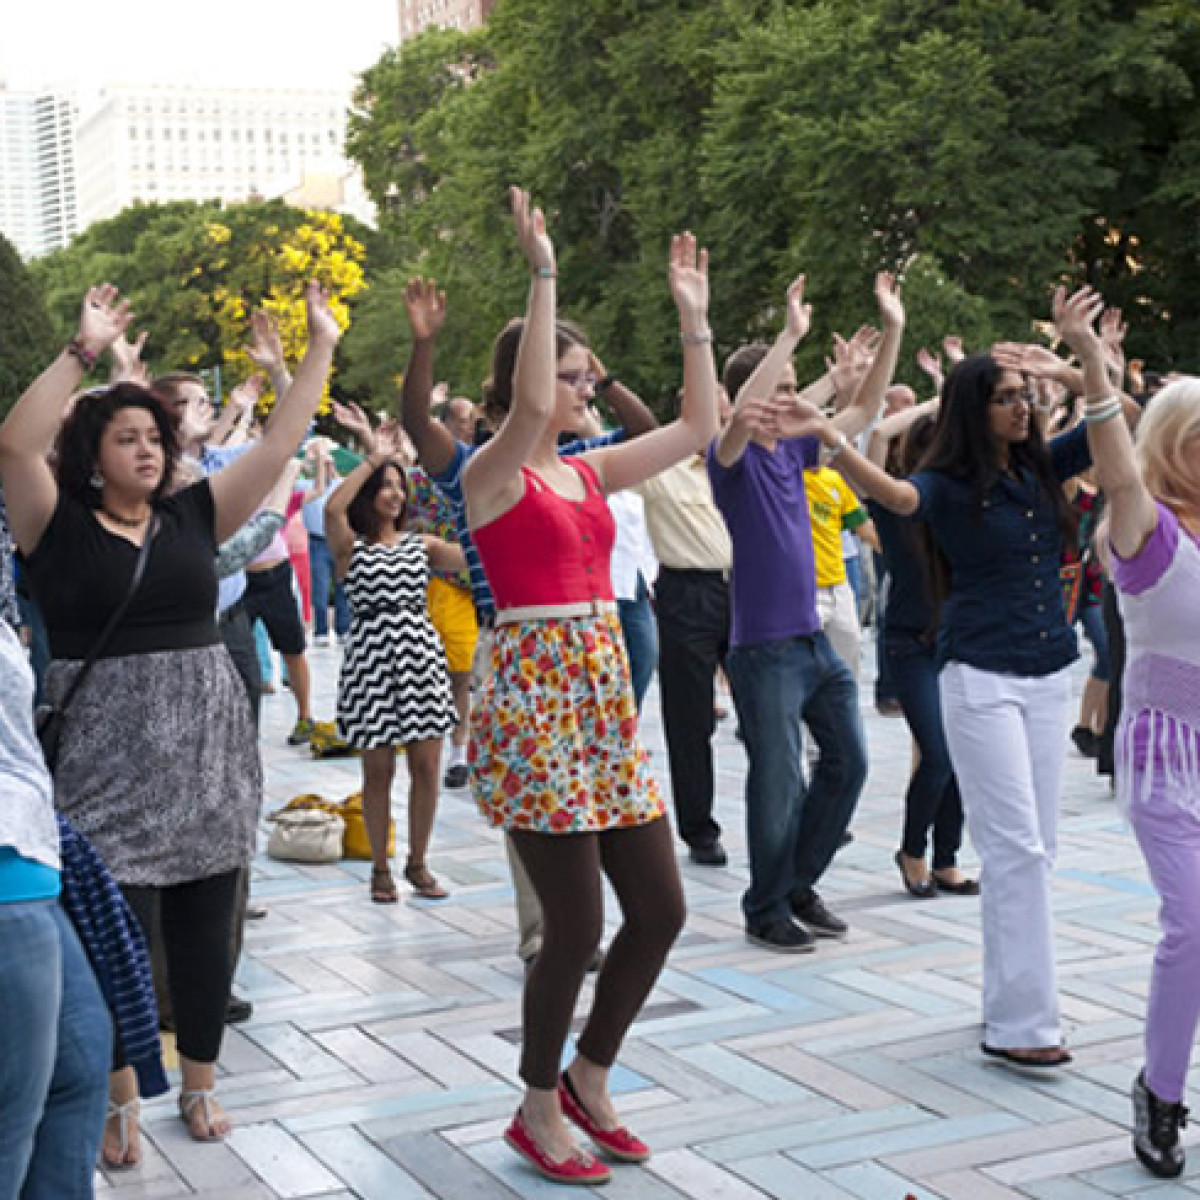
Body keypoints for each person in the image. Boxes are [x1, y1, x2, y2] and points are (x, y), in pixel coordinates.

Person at [0, 281, 339, 1152]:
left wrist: (319, 348)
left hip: (207, 754)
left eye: (156, 437)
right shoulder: (55, 526)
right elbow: (12, 442)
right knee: (118, 936)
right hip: (107, 763)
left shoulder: (192, 514)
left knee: (205, 929)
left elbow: (281, 442)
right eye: (128, 438)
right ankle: (120, 1099)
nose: (149, 451)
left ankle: (198, 1085)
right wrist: (83, 352)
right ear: (91, 453)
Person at [462, 190, 716, 1185]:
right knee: (573, 930)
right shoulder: (496, 473)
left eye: (585, 377)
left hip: (602, 700)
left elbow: (701, 424)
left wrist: (694, 317)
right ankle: (535, 1105)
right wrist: (542, 272)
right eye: (570, 376)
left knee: (660, 911)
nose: (580, 391)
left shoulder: (588, 471)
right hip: (535, 703)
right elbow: (526, 410)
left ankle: (589, 1075)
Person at [817, 325, 1111, 1066]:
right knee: (1013, 849)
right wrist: (830, 434)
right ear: (972, 410)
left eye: (1023, 397)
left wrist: (1076, 371)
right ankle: (1024, 1027)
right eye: (1006, 399)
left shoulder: (1043, 466)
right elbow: (889, 491)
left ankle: (1009, 1001)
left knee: (1037, 851)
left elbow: (1122, 421)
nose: (1021, 408)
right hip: (979, 678)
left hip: (1049, 674)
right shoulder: (947, 488)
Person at [398, 276, 657, 971]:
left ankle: (572, 923)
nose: (578, 390)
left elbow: (652, 437)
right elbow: (417, 424)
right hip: (515, 641)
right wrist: (423, 346)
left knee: (590, 791)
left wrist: (604, 378)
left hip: (591, 637)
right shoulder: (472, 466)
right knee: (539, 802)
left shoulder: (569, 460)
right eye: (565, 375)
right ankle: (546, 932)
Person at [709, 270, 904, 953]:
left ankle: (796, 883)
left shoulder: (796, 451)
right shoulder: (727, 459)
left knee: (847, 762)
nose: (791, 398)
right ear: (750, 395)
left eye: (795, 386)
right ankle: (765, 908)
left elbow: (861, 411)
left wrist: (894, 330)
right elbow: (740, 420)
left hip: (814, 638)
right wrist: (790, 334)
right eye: (781, 387)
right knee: (777, 782)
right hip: (762, 648)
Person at [1055, 286, 1197, 1178]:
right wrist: (1097, 372)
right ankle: (1161, 1091)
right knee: (1195, 923)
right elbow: (1119, 470)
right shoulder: (1148, 535)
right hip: (1166, 759)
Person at [326, 404, 461, 903]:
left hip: (421, 658)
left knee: (426, 767)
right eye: (385, 485)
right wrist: (373, 458)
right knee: (377, 771)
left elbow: (473, 557)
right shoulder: (351, 548)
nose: (394, 493)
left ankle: (419, 862)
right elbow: (332, 511)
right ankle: (380, 866)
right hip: (371, 662)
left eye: (398, 486)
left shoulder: (421, 545)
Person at [865, 407, 976, 899]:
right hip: (910, 645)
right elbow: (880, 435)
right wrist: (939, 402)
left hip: (961, 643)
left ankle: (947, 858)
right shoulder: (895, 504)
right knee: (936, 753)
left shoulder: (965, 502)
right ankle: (913, 852)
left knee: (961, 757)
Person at [635, 388, 734, 866]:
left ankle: (791, 808)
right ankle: (699, 828)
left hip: (746, 589)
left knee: (769, 709)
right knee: (690, 719)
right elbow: (624, 434)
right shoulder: (660, 467)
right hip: (686, 593)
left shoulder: (738, 462)